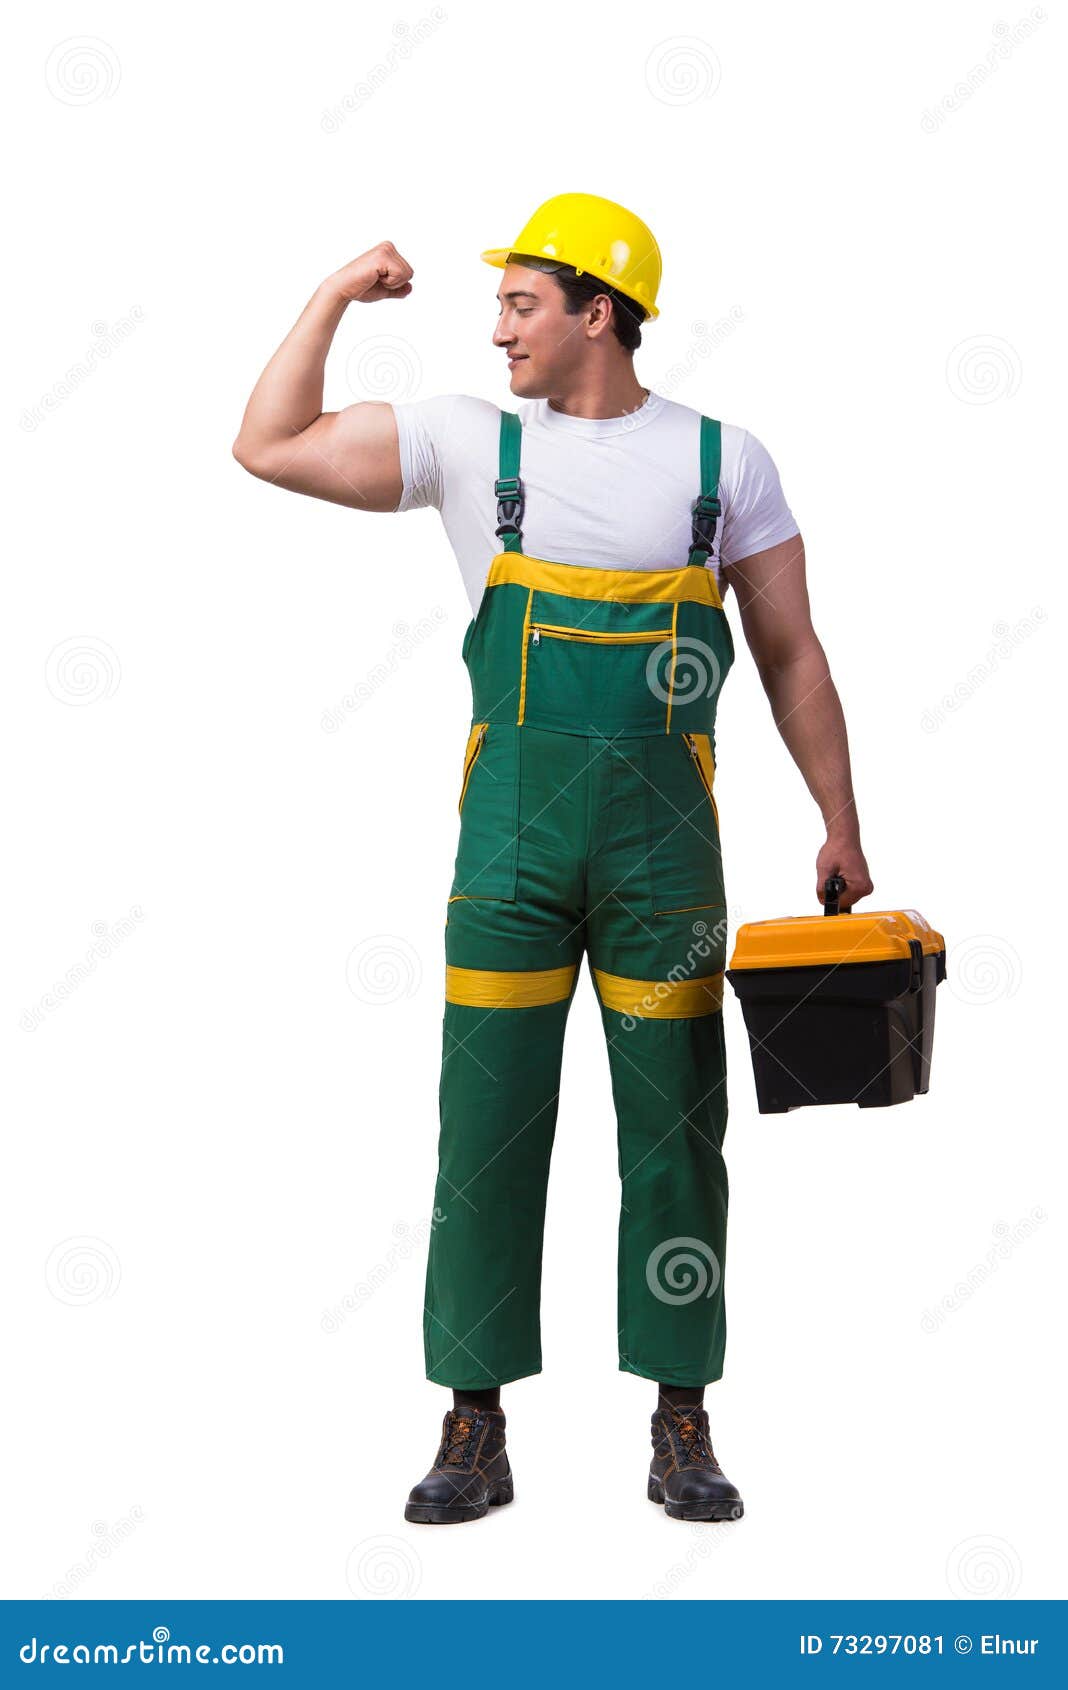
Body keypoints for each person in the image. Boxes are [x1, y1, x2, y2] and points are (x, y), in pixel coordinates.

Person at [233, 192, 873, 1526]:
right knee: (484, 1133)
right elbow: (269, 444)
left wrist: (840, 821)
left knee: (678, 1140)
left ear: (602, 310)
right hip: (510, 859)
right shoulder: (474, 445)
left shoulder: (724, 464)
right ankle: (473, 1421)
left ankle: (682, 1416)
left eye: (522, 303)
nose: (498, 329)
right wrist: (336, 291)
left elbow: (792, 651)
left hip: (665, 864)